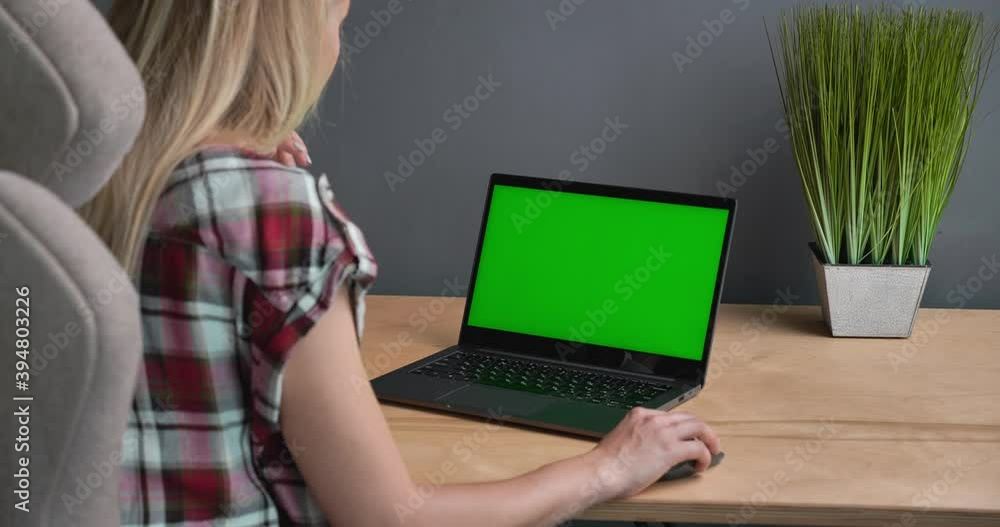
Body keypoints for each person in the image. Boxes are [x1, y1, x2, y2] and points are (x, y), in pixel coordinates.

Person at [79, 1, 722, 525]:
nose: (338, 45)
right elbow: (390, 519)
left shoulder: (76, 181)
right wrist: (604, 469)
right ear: (288, 35)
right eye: (335, 19)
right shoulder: (274, 216)